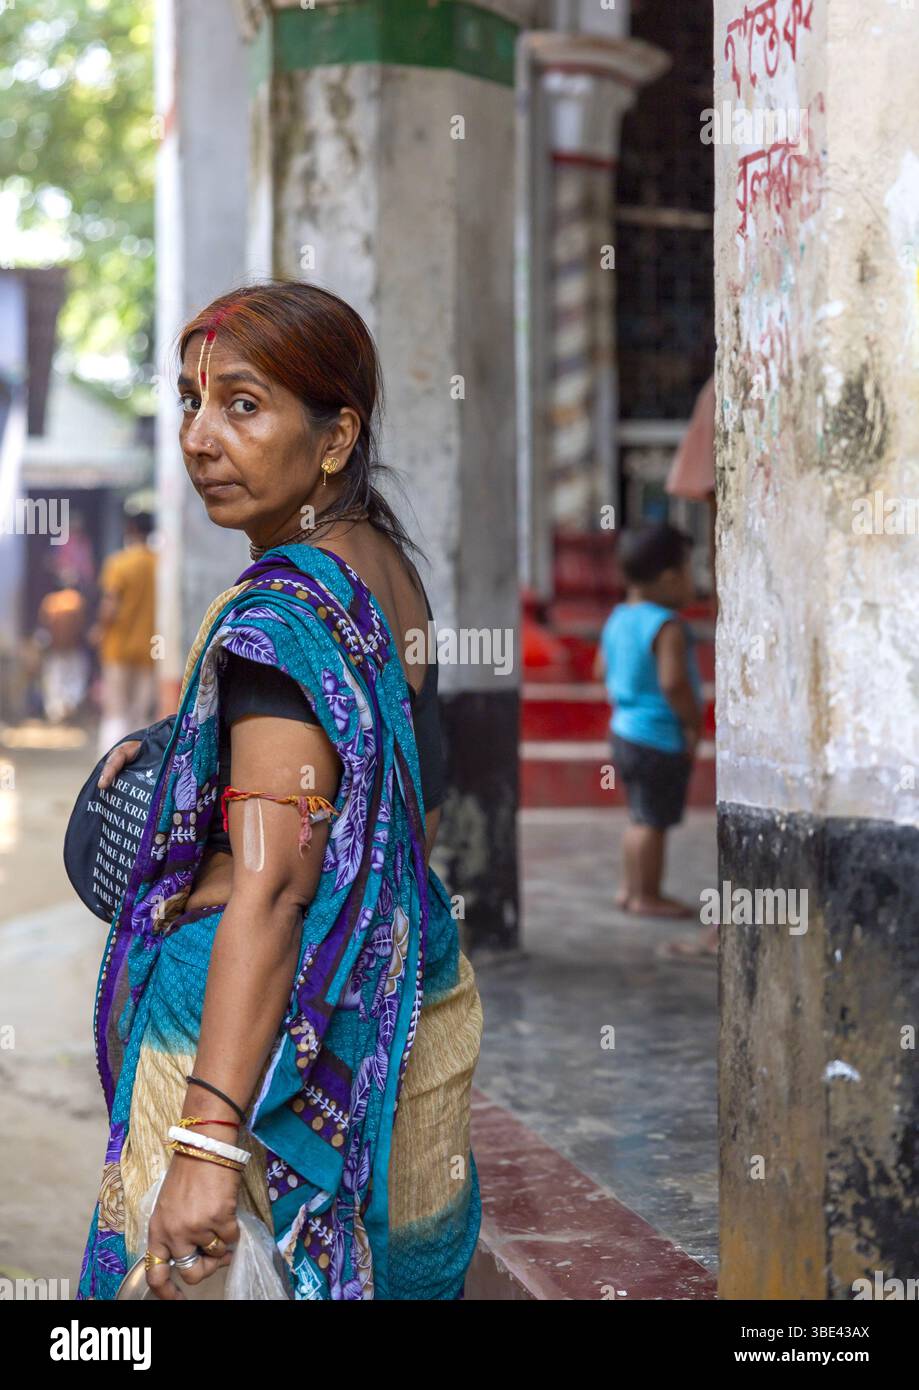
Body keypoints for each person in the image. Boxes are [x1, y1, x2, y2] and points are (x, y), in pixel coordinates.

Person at [76, 280, 483, 1302]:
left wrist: (207, 1141)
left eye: (243, 406)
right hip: (405, 992)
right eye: (189, 402)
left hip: (257, 1034)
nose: (200, 438)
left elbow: (275, 890)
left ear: (335, 435)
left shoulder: (286, 609)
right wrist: (184, 756)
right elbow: (379, 787)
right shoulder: (383, 569)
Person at [593, 523, 703, 918]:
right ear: (671, 577)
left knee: (638, 816)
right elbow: (674, 683)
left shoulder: (619, 617)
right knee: (654, 822)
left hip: (623, 732)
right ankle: (648, 895)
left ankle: (629, 889)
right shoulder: (667, 625)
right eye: (690, 570)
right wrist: (694, 723)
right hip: (657, 737)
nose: (694, 580)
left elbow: (599, 668)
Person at [92, 511, 158, 757]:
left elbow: (110, 604)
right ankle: (138, 763)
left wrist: (100, 629)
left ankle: (110, 760)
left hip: (118, 647)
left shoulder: (119, 563)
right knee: (140, 712)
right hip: (151, 647)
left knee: (116, 710)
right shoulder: (159, 564)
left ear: (130, 528)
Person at [35, 575, 89, 723]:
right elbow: (81, 624)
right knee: (73, 678)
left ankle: (56, 711)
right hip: (72, 647)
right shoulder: (77, 600)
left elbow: (44, 624)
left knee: (54, 679)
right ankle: (67, 706)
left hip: (56, 647)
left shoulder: (50, 601)